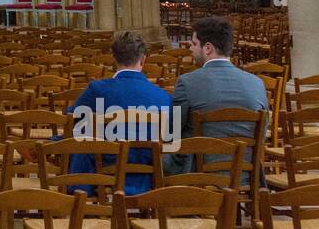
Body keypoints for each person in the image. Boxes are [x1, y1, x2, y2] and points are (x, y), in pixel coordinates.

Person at [67, 31, 173, 194]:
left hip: (106, 169)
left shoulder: (98, 89)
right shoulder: (163, 97)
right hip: (148, 171)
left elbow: (72, 119)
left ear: (114, 58)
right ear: (143, 59)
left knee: (82, 137)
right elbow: (171, 140)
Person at [166, 15, 268, 176]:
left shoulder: (187, 82)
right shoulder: (257, 83)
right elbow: (261, 133)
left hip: (199, 174)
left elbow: (171, 132)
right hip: (244, 173)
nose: (190, 48)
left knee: (154, 162)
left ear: (208, 48)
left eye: (194, 44)